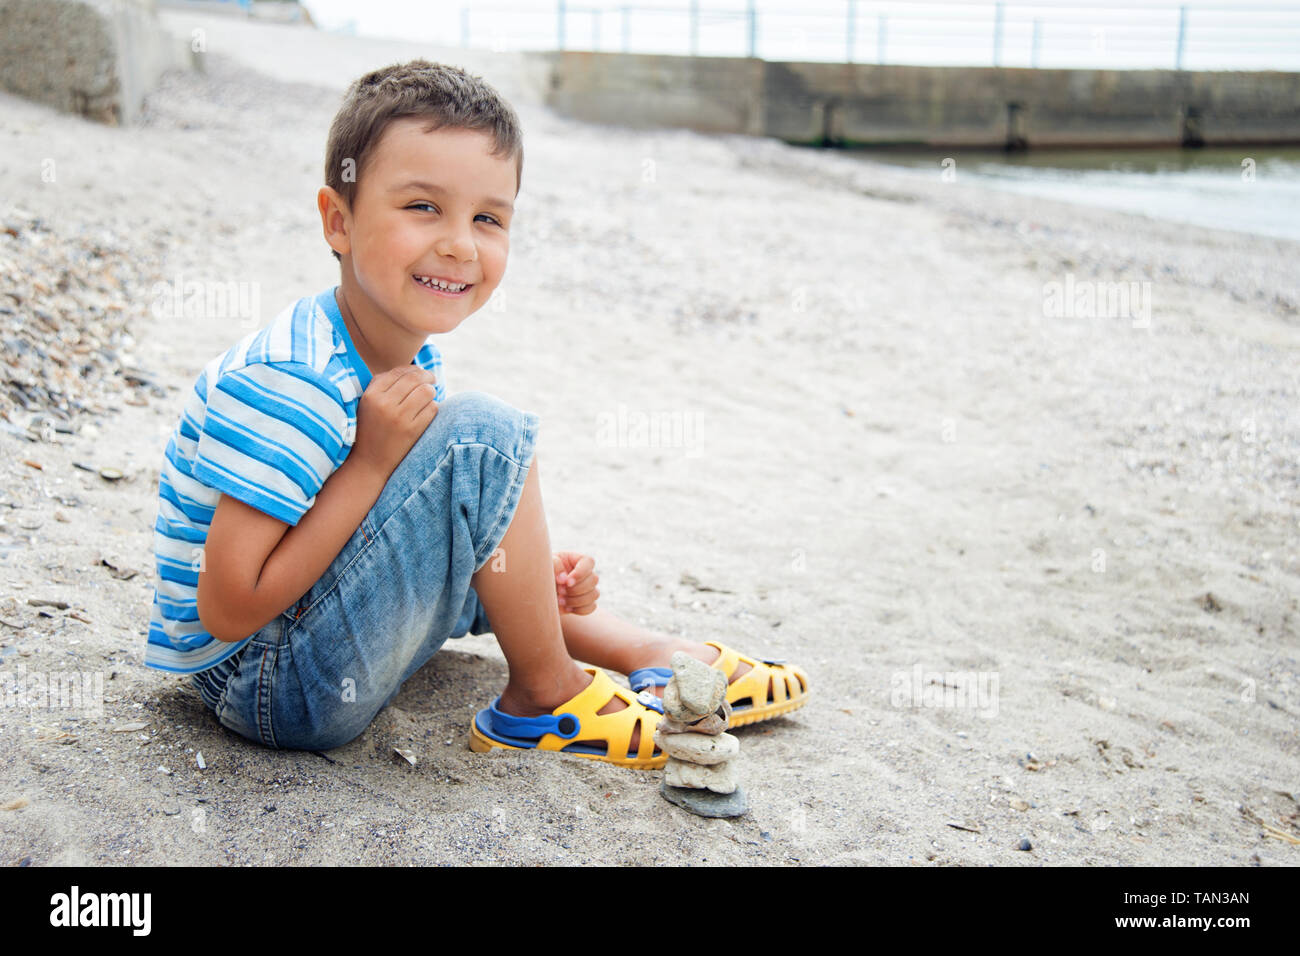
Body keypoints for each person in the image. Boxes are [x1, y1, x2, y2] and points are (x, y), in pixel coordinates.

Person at [144, 59, 809, 767]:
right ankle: (546, 694)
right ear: (339, 221)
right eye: (422, 207)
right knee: (480, 441)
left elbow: (391, 516)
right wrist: (370, 463)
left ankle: (651, 653)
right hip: (264, 682)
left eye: (487, 218)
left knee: (494, 528)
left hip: (304, 636)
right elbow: (229, 608)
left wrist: (524, 563)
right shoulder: (293, 380)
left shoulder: (407, 353)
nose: (460, 243)